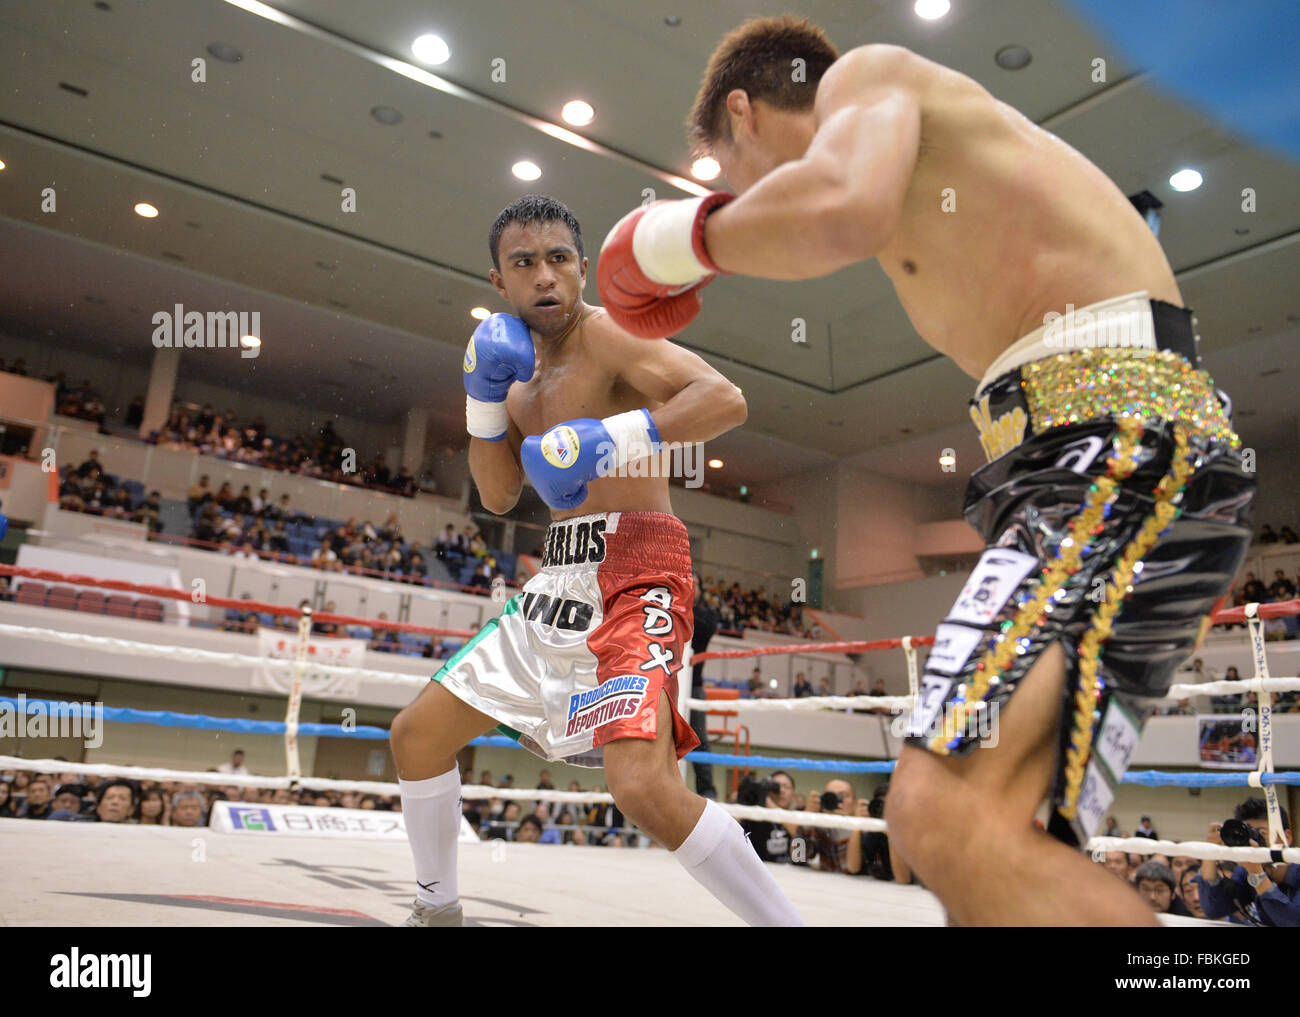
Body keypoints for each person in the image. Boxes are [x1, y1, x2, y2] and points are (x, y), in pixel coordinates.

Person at [597, 14, 1254, 926]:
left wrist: (677, 238)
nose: (735, 200)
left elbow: (837, 208)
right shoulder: (920, 182)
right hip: (1083, 464)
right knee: (983, 839)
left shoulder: (866, 78)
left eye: (726, 172)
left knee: (938, 812)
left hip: (1117, 444)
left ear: (742, 114)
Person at [390, 195, 801, 927]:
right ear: (499, 281)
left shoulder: (608, 334)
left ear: (583, 267)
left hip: (638, 569)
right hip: (556, 581)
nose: (544, 276)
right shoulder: (511, 374)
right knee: (416, 735)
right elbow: (498, 490)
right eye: (524, 263)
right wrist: (482, 401)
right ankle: (437, 909)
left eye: (558, 259)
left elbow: (724, 398)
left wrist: (610, 439)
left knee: (641, 786)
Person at [1195, 799, 1299, 927]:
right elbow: (1214, 910)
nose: (1252, 841)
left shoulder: (1253, 870)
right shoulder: (1245, 871)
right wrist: (1210, 854)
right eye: (1248, 833)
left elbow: (1293, 922)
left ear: (1286, 837)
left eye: (1261, 833)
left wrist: (1257, 874)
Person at [688, 571, 720, 799]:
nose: (691, 584)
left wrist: (680, 604)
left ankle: (708, 793)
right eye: (687, 579)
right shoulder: (665, 607)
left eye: (696, 582)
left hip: (694, 686)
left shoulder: (706, 615)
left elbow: (703, 626)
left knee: (700, 740)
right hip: (665, 685)